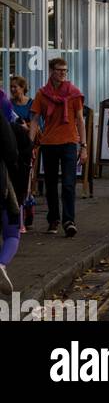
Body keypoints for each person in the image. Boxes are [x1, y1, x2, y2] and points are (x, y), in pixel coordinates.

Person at [28, 58, 86, 238]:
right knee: (51, 185)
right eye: (59, 70)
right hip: (49, 143)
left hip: (69, 142)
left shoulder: (74, 93)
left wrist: (83, 146)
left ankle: (69, 221)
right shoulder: (42, 94)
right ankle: (53, 218)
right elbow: (35, 120)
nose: (63, 73)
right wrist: (31, 145)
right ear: (51, 71)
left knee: (68, 184)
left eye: (65, 71)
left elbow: (79, 119)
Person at [0, 88, 30, 297]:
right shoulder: (10, 128)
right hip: (4, 185)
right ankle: (1, 264)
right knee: (12, 232)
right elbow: (13, 156)